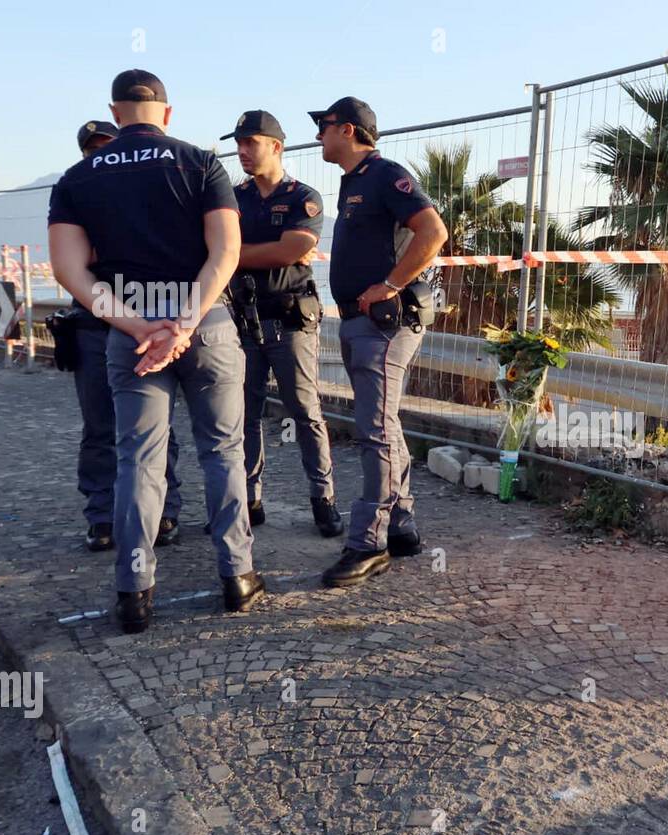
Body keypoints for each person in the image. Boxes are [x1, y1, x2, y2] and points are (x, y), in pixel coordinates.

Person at [48, 69, 263, 633]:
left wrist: (141, 326)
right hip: (206, 325)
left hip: (130, 331)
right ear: (166, 114)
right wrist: (184, 324)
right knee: (223, 452)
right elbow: (226, 251)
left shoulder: (77, 176)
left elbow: (69, 271)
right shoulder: (200, 162)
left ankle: (134, 592)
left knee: (137, 460)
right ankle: (237, 577)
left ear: (115, 114)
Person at [309, 97, 448, 588]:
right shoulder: (355, 181)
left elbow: (433, 232)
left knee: (374, 430)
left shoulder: (386, 174)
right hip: (359, 322)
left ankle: (369, 542)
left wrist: (389, 286)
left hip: (383, 324)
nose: (319, 134)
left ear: (348, 129)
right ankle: (402, 522)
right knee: (384, 425)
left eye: (323, 126)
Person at [61, 120, 183, 553]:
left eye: (106, 146)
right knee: (99, 426)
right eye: (90, 149)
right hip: (96, 328)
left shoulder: (140, 200)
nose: (98, 155)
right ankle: (101, 516)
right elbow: (74, 261)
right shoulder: (78, 193)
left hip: (148, 325)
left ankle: (165, 511)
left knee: (157, 426)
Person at [221, 110, 342, 537]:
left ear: (276, 146)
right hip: (244, 321)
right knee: (244, 414)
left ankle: (322, 499)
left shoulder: (302, 198)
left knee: (305, 411)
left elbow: (289, 251)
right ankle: (250, 499)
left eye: (250, 142)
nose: (242, 151)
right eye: (238, 143)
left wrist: (236, 253)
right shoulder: (234, 198)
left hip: (290, 321)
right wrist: (262, 250)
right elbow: (217, 246)